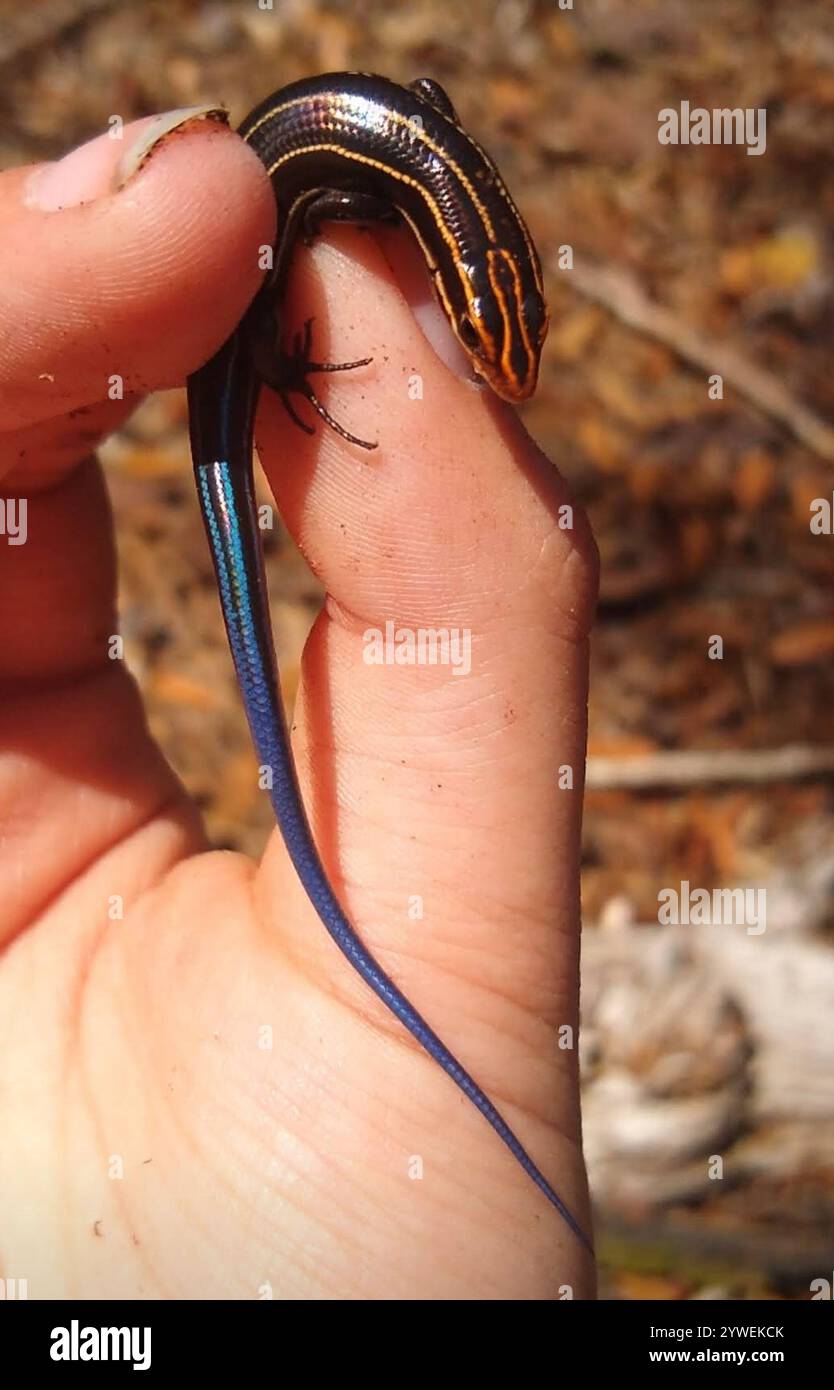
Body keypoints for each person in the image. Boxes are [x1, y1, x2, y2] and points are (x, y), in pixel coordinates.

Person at [0, 107, 598, 1299]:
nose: (493, 363)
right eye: (483, 337)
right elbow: (313, 206)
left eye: (496, 338)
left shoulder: (405, 199)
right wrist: (277, 365)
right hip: (257, 262)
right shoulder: (396, 195)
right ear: (465, 274)